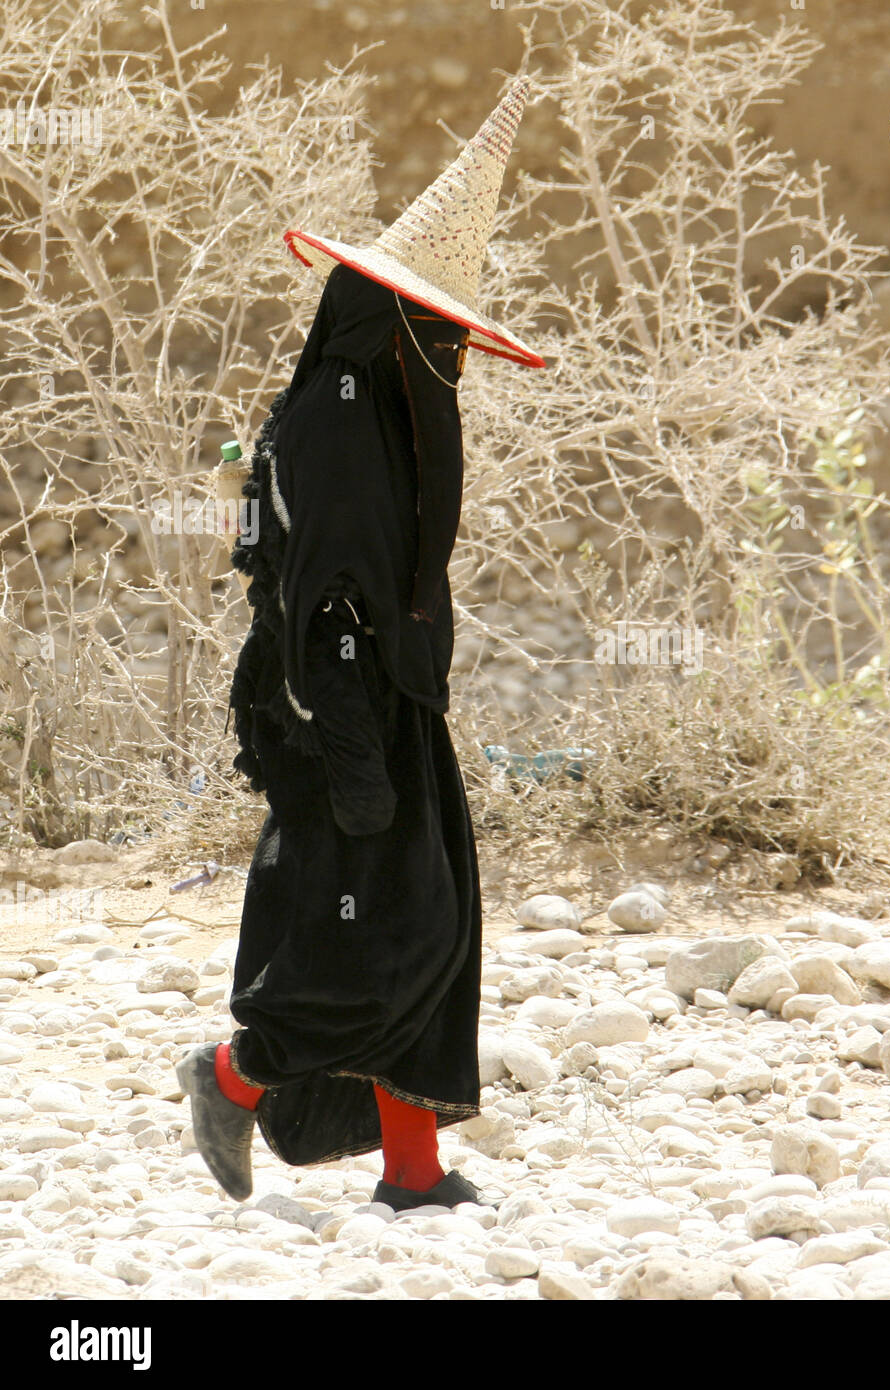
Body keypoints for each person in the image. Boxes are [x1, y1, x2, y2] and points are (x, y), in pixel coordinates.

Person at [177, 76, 546, 1214]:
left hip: (385, 698)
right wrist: (351, 760)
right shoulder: (344, 408)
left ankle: (413, 1172)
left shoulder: (366, 398)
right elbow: (328, 601)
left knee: (429, 916)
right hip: (341, 706)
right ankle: (236, 1076)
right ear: (395, 323)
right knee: (387, 924)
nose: (446, 355)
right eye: (435, 332)